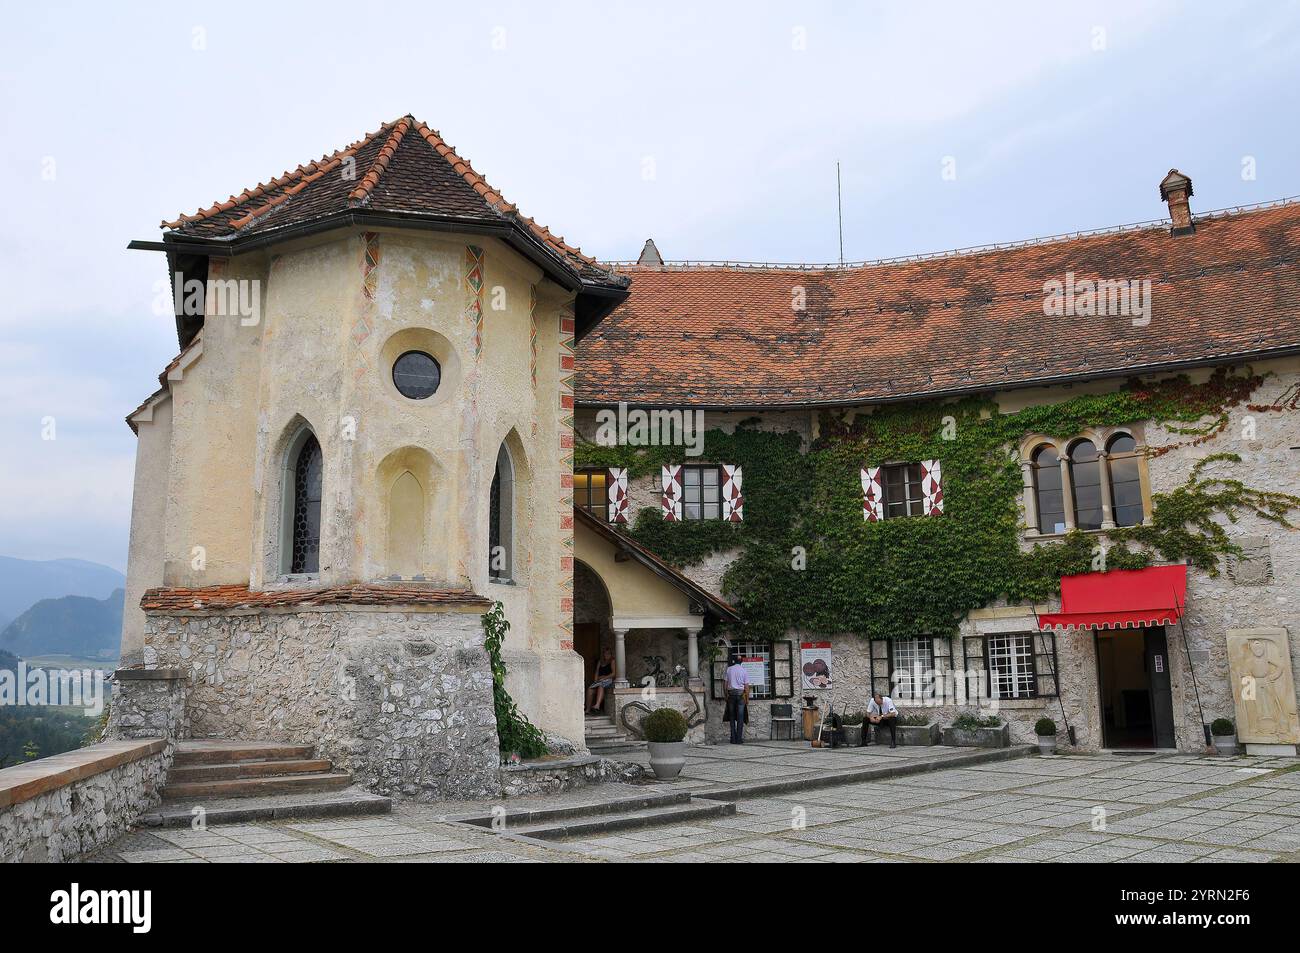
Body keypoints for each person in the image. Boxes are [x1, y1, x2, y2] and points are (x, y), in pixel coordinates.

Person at [724, 654, 749, 744]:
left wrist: (726, 695)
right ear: (741, 662)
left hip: (731, 695)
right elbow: (746, 686)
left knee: (732, 717)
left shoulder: (729, 669)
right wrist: (747, 698)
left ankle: (733, 738)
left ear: (734, 661)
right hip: (741, 695)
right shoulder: (744, 670)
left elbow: (725, 684)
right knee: (740, 717)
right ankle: (739, 739)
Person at [586, 648, 616, 713]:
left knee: (601, 686)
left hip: (608, 680)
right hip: (599, 681)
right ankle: (587, 709)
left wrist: (605, 678)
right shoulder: (600, 661)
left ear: (611, 654)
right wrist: (595, 680)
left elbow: (614, 673)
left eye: (608, 653)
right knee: (590, 689)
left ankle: (597, 705)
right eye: (605, 653)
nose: (606, 655)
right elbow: (597, 671)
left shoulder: (612, 661)